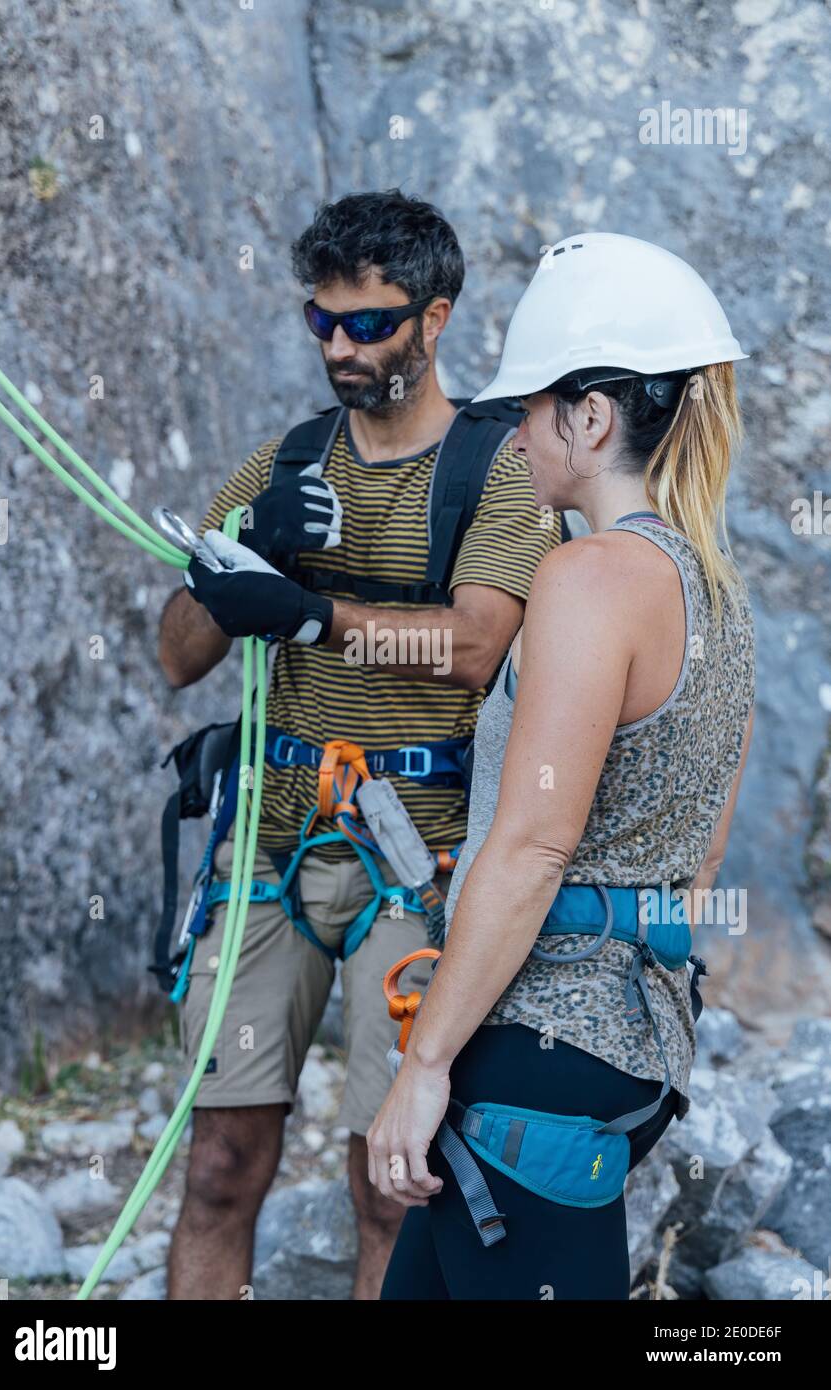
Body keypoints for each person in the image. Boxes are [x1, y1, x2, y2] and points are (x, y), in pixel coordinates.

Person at [157, 190, 562, 1299]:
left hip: (416, 861)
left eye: (368, 323)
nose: (339, 347)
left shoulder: (501, 470)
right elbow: (177, 653)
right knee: (220, 1166)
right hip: (267, 853)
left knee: (389, 1178)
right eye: (320, 322)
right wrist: (234, 557)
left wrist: (307, 612)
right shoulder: (281, 464)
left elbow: (478, 645)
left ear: (434, 321)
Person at [368, 231, 756, 1301]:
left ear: (588, 417)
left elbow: (536, 844)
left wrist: (423, 1063)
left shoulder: (587, 577)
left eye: (524, 411)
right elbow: (695, 851)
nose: (511, 439)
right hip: (628, 1041)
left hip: (531, 1043)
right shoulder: (715, 596)